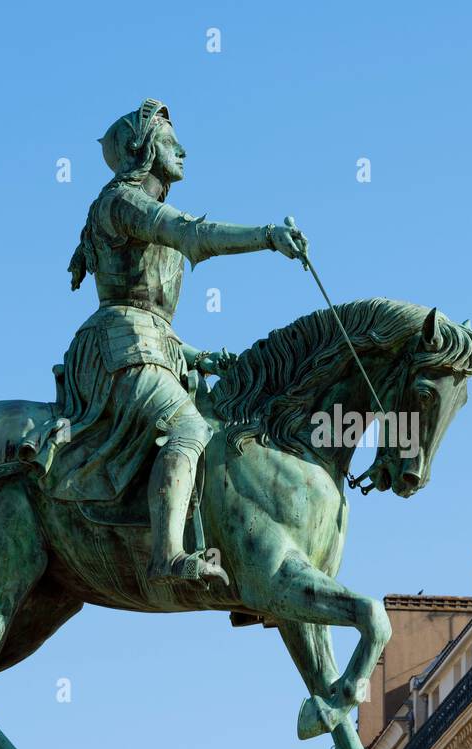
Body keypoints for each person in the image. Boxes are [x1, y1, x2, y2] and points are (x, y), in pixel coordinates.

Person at [46, 98, 306, 586]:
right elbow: (192, 235)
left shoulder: (138, 204)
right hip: (118, 347)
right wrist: (268, 236)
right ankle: (166, 556)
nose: (182, 149)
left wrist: (197, 356)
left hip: (151, 344)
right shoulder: (122, 201)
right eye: (169, 141)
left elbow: (153, 314)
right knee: (188, 429)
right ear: (142, 151)